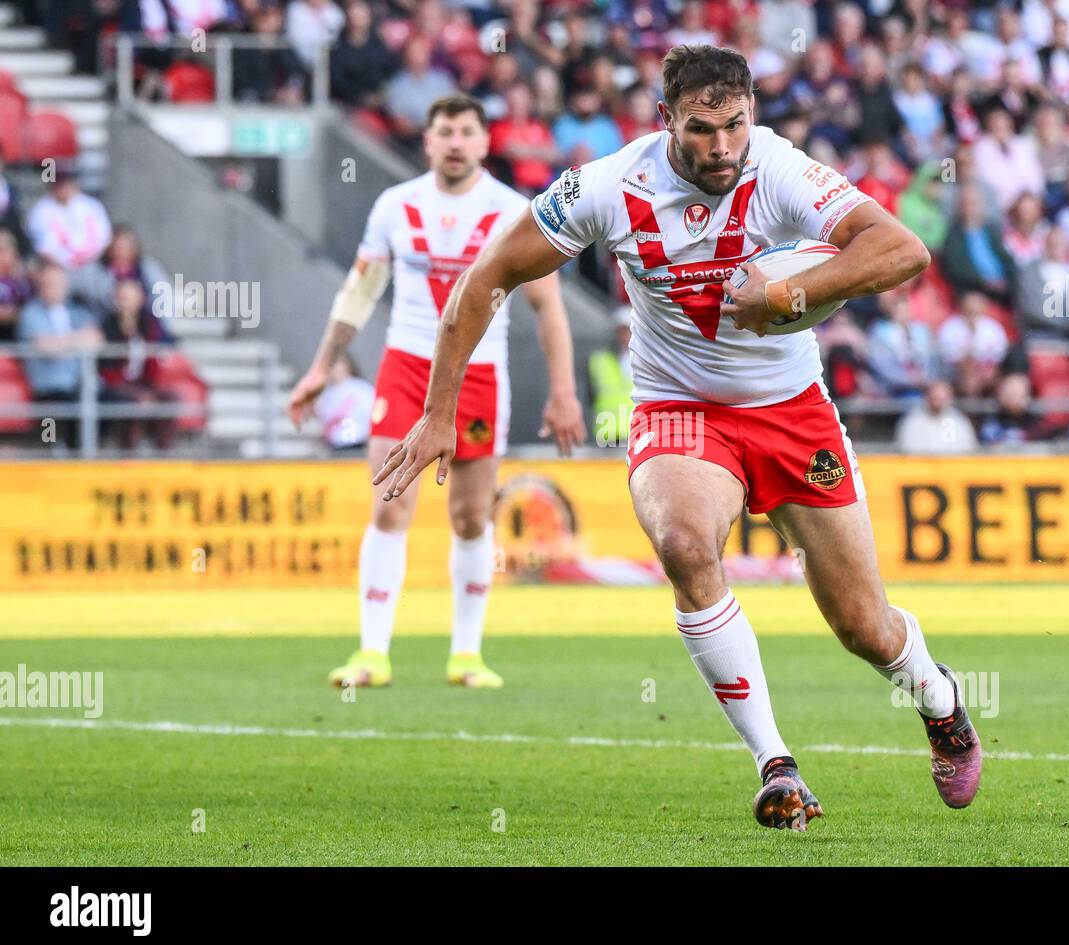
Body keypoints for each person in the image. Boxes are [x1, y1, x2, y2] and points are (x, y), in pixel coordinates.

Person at [374, 46, 981, 830]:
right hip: (677, 406)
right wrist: (437, 411)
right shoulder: (606, 187)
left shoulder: (781, 169)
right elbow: (486, 276)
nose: (722, 146)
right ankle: (776, 765)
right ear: (666, 121)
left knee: (864, 626)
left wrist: (789, 291)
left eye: (735, 125)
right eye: (702, 130)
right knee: (688, 546)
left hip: (791, 408)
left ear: (752, 115)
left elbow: (902, 249)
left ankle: (939, 697)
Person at [288, 94, 586, 691]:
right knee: (389, 504)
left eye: (466, 131)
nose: (454, 142)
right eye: (444, 131)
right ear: (427, 141)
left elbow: (548, 306)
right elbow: (359, 291)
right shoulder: (395, 206)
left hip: (480, 375)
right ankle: (372, 652)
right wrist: (322, 365)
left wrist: (563, 392)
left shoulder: (513, 210)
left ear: (483, 141)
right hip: (406, 368)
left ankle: (466, 654)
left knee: (471, 516)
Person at [16, 261, 104, 448]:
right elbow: (48, 348)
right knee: (52, 425)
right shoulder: (30, 314)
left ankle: (89, 457)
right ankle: (53, 454)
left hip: (81, 384)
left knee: (113, 402)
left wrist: (62, 342)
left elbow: (96, 339)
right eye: (49, 284)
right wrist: (78, 340)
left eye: (58, 284)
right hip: (48, 388)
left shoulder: (77, 311)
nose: (53, 289)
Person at [98, 278, 179, 451]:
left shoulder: (148, 324)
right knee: (135, 402)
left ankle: (163, 451)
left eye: (130, 297)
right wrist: (139, 393)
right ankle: (130, 453)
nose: (126, 302)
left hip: (142, 384)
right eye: (123, 297)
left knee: (170, 399)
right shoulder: (107, 326)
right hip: (115, 385)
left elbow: (159, 353)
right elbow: (105, 369)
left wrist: (149, 390)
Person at [587, 307, 635, 447]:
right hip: (607, 437)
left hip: (640, 434)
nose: (625, 334)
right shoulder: (600, 360)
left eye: (629, 329)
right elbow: (591, 396)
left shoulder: (650, 359)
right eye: (622, 330)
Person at [315, 354, 375, 451]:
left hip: (357, 445)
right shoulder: (326, 395)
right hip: (333, 446)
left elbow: (371, 415)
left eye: (336, 363)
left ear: (347, 365)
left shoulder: (362, 389)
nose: (334, 368)